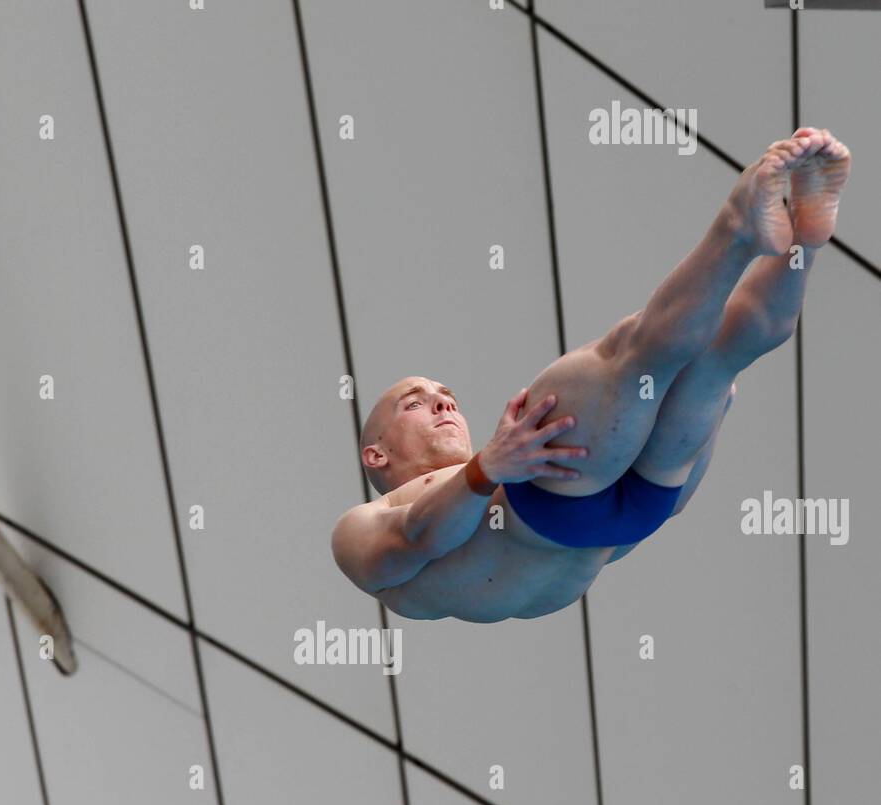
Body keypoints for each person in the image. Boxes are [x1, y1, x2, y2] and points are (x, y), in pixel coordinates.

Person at [332, 129, 850, 622]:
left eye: (447, 396)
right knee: (635, 352)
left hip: (628, 509)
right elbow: (414, 541)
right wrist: (485, 469)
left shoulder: (507, 465)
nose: (444, 404)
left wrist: (492, 469)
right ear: (375, 454)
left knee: (716, 360)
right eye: (414, 402)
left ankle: (804, 238)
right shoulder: (357, 528)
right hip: (589, 503)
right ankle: (738, 227)